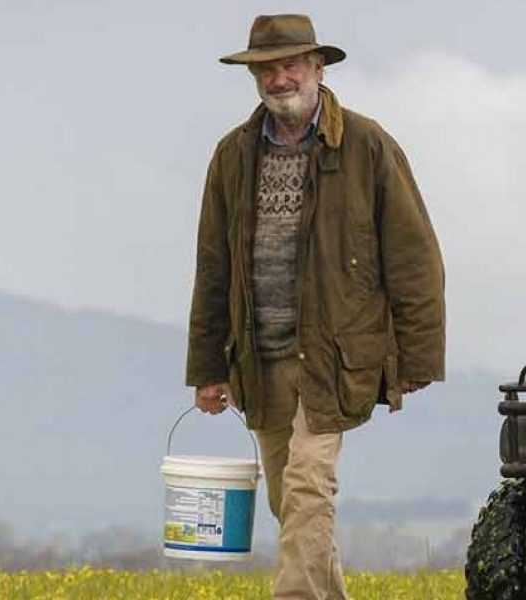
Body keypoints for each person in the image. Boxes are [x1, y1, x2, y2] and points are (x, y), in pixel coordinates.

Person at [184, 13, 446, 600]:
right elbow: (213, 269)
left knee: (307, 484)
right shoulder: (231, 155)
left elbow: (415, 258)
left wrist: (417, 356)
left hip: (335, 356)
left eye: (290, 65)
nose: (279, 79)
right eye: (265, 70)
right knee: (289, 499)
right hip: (259, 357)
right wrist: (207, 369)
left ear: (318, 67)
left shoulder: (368, 145)